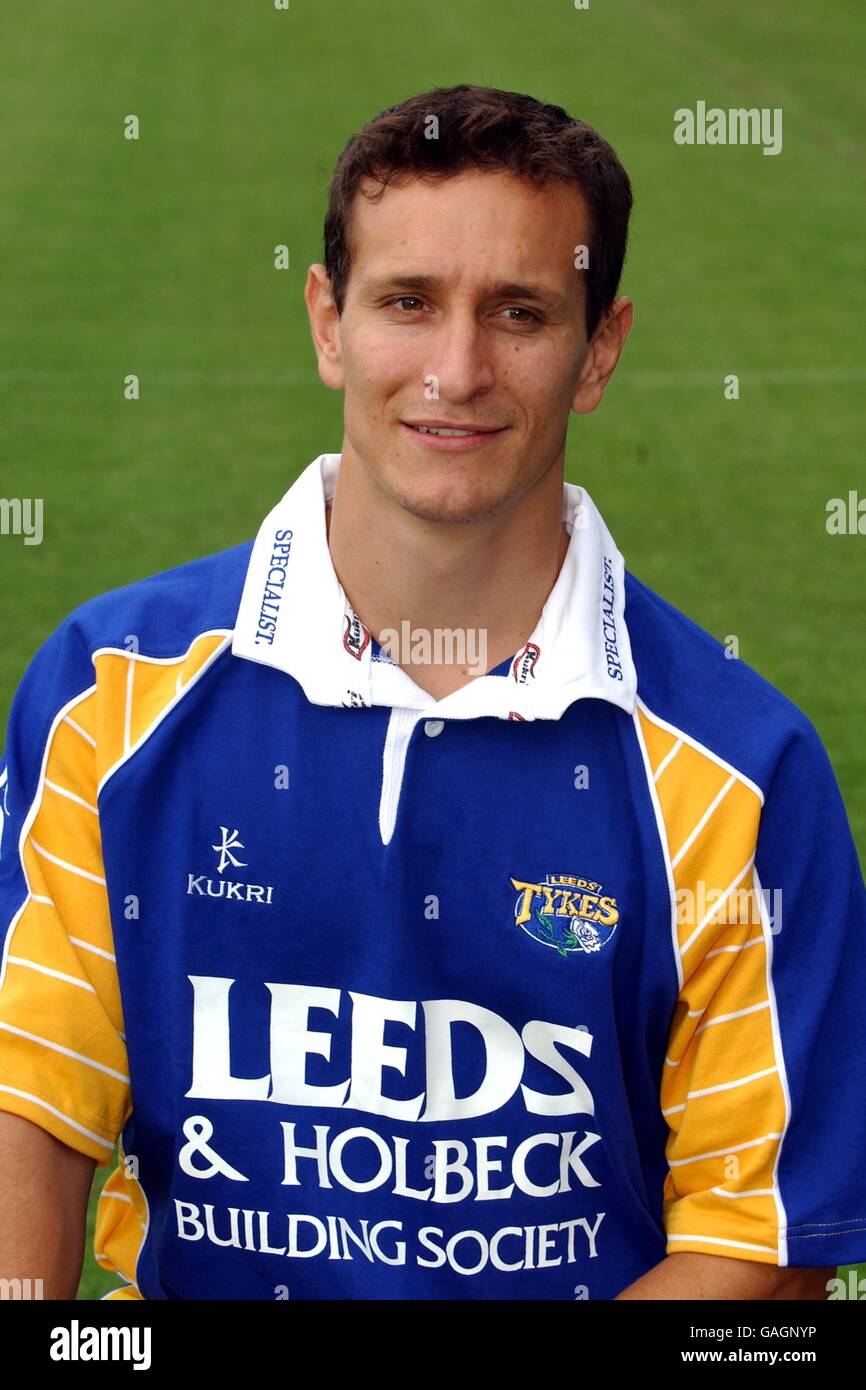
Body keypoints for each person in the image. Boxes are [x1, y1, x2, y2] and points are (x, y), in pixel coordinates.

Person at [1, 84, 863, 1302]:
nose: (455, 372)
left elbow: (763, 1245)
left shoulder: (740, 772)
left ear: (598, 348)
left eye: (517, 312)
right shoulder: (112, 693)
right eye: (407, 303)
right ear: (326, 321)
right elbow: (27, 1095)